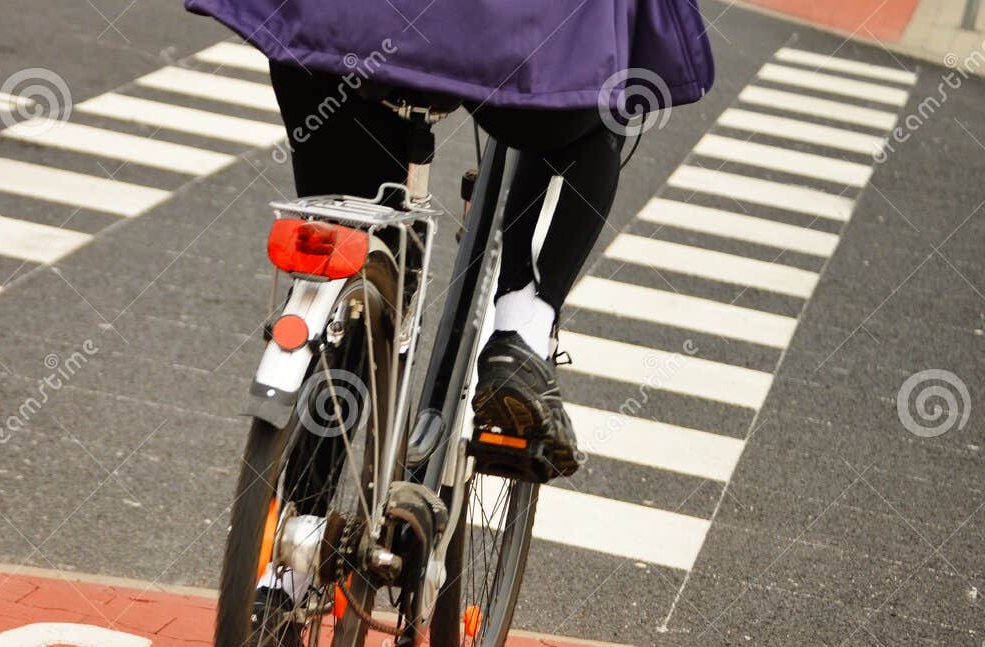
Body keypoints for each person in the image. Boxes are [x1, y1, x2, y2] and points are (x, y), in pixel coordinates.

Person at [185, 0, 714, 479]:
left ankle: (291, 558)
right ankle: (521, 332)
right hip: (513, 37)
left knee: (350, 252)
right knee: (602, 93)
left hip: (340, 28)